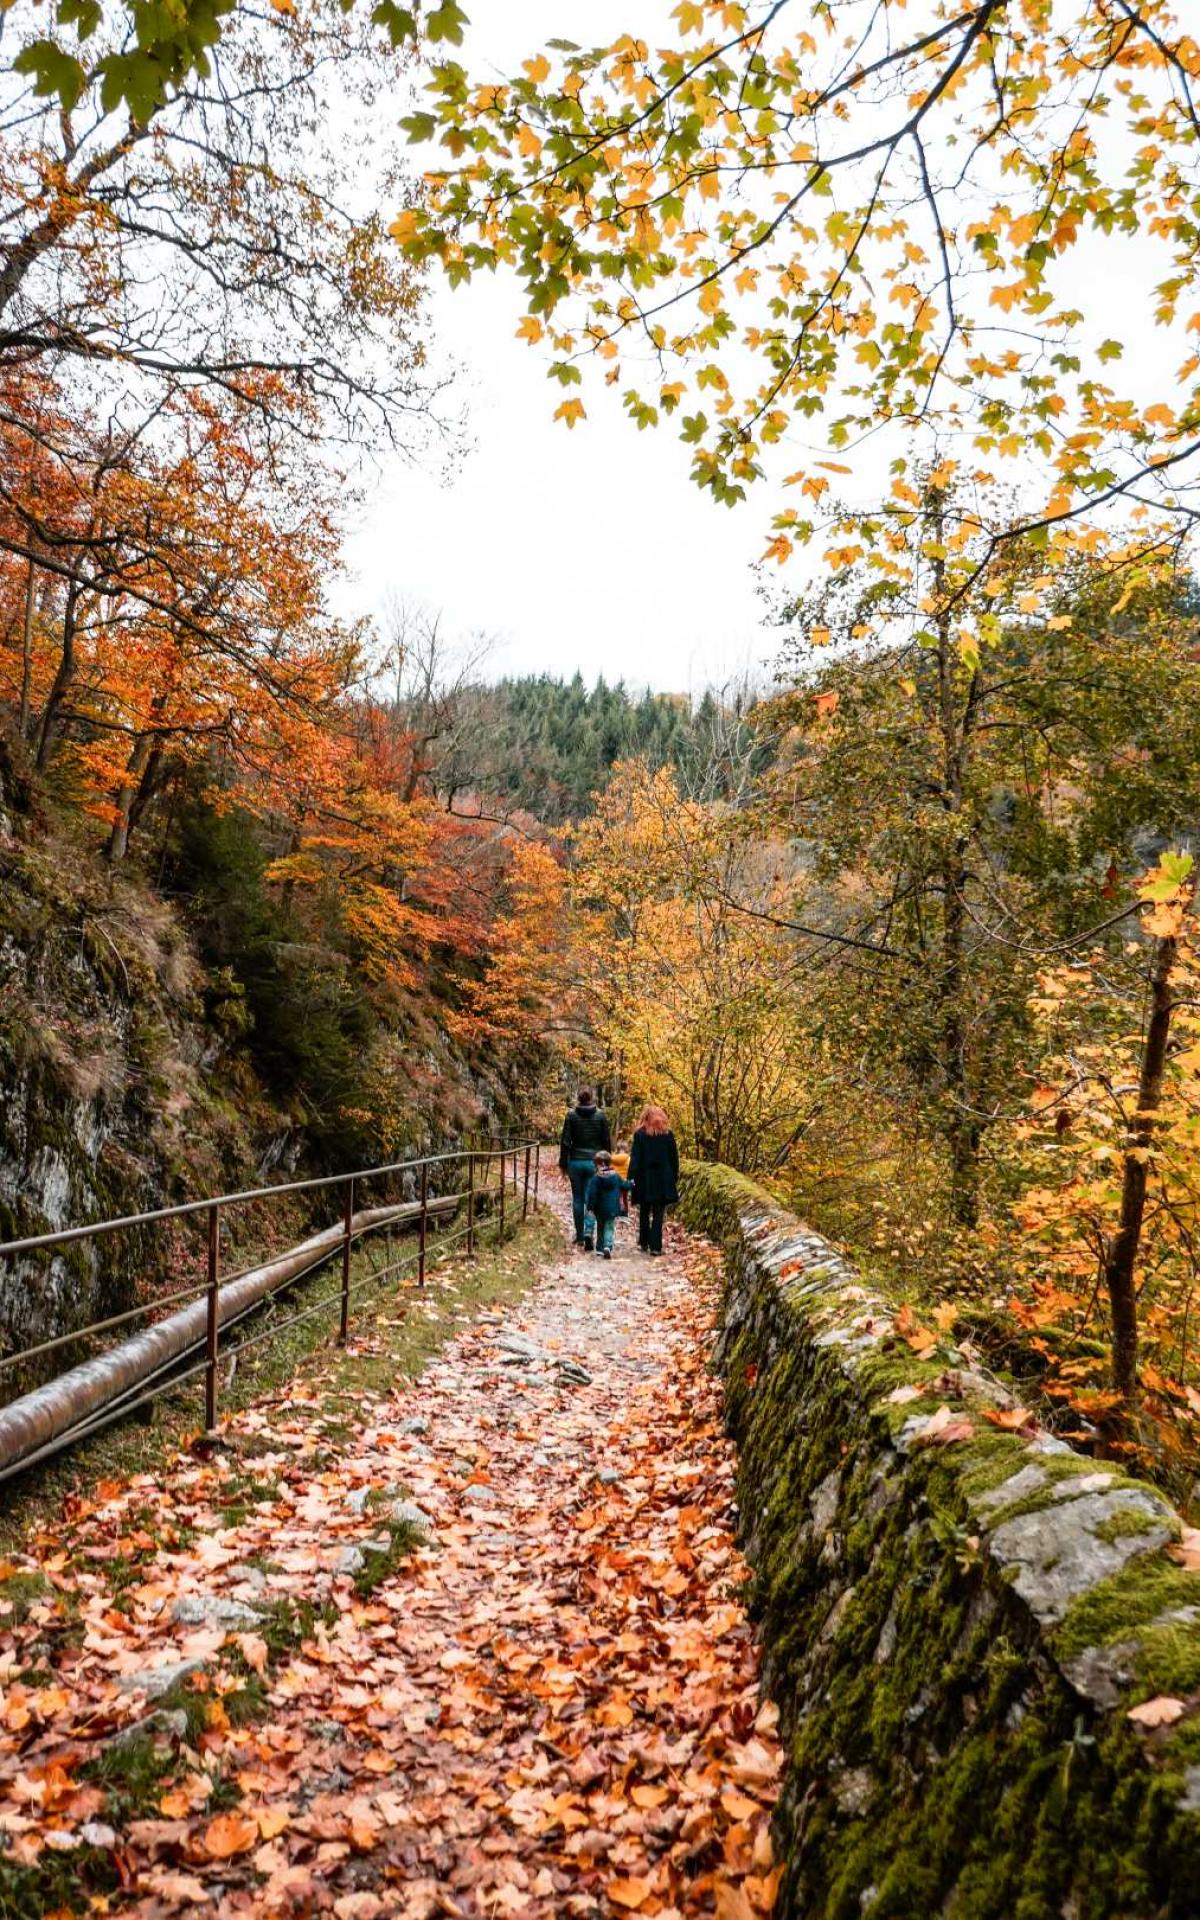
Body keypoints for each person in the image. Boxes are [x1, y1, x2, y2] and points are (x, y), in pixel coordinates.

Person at [558, 1086, 612, 1249]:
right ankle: (589, 1231)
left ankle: (580, 1236)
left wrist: (563, 1163)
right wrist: (607, 1163)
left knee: (577, 1199)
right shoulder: (600, 1116)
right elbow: (606, 1141)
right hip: (594, 1162)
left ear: (578, 1098)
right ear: (592, 1098)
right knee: (591, 1198)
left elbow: (565, 1141)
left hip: (575, 1161)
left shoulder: (571, 1116)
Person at [628, 1104, 680, 1256]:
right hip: (663, 1178)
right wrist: (674, 1176)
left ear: (645, 1118)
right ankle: (656, 1246)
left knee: (644, 1210)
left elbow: (635, 1159)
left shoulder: (640, 1135)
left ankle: (644, 1241)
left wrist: (631, 1178)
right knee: (658, 1212)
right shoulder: (668, 1135)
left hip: (644, 1178)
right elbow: (673, 1158)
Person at [584, 1152, 633, 1259]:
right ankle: (608, 1245)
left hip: (599, 1209)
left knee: (600, 1227)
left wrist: (590, 1207)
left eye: (596, 1164)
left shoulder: (596, 1179)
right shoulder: (616, 1176)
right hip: (612, 1208)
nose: (595, 1166)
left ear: (601, 1164)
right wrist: (632, 1183)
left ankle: (599, 1248)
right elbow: (624, 1185)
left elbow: (592, 1194)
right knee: (609, 1227)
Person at [611, 1140, 631, 1216]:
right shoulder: (629, 1159)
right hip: (626, 1182)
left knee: (617, 1196)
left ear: (618, 1148)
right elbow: (631, 1170)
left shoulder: (612, 1159)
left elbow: (610, 1168)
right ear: (626, 1149)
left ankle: (616, 1211)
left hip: (615, 1181)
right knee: (625, 1197)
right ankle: (625, 1212)